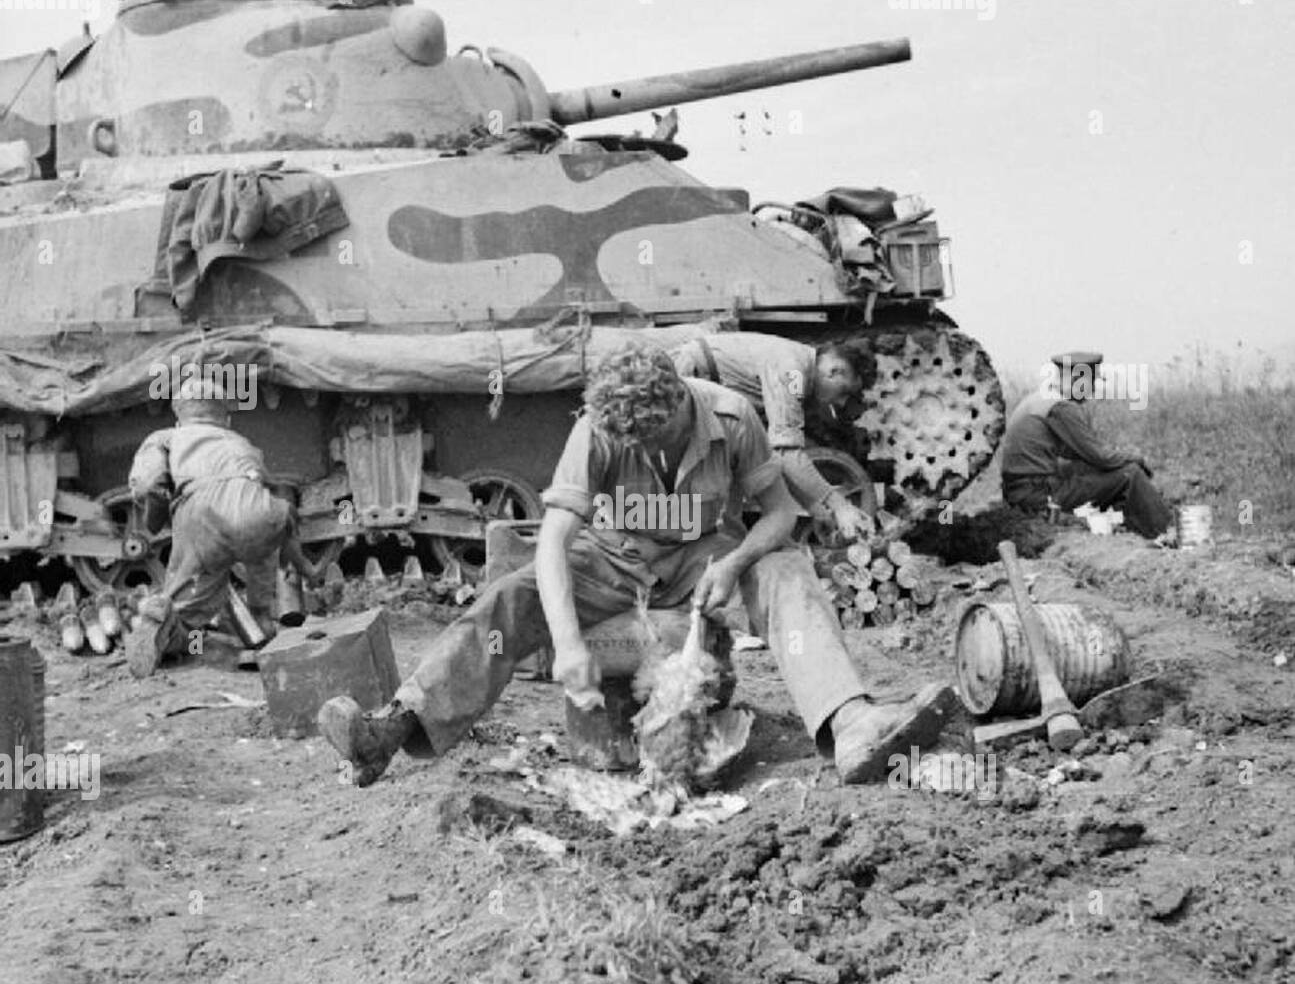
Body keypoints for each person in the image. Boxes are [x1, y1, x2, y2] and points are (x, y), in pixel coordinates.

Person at [317, 346, 956, 787]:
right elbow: (552, 540)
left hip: (707, 559)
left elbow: (781, 513)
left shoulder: (734, 420)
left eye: (657, 438)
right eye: (633, 443)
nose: (644, 452)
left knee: (785, 570)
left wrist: (735, 562)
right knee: (512, 598)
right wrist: (567, 646)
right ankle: (395, 728)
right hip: (613, 560)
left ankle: (849, 722)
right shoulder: (597, 427)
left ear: (681, 400)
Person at [124, 378, 321, 677]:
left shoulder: (166, 437)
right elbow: (273, 503)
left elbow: (148, 485)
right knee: (262, 546)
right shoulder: (242, 443)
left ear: (178, 417)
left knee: (189, 611)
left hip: (202, 513)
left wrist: (156, 520)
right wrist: (307, 568)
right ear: (226, 417)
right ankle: (262, 629)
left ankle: (167, 623)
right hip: (262, 510)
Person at [671, 332, 878, 539]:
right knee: (714, 503)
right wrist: (840, 505)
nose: (841, 403)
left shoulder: (800, 374)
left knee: (728, 508)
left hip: (715, 402)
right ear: (835, 371)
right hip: (691, 383)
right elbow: (786, 453)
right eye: (845, 391)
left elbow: (774, 457)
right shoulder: (793, 372)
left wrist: (817, 508)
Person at [1000, 350, 1174, 541]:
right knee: (1130, 474)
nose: (1092, 390)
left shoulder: (1042, 398)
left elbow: (1077, 454)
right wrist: (1134, 459)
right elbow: (1099, 457)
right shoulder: (1061, 407)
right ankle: (1166, 533)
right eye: (1091, 383)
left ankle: (1128, 525)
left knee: (1095, 470)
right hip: (1038, 495)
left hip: (1019, 490)